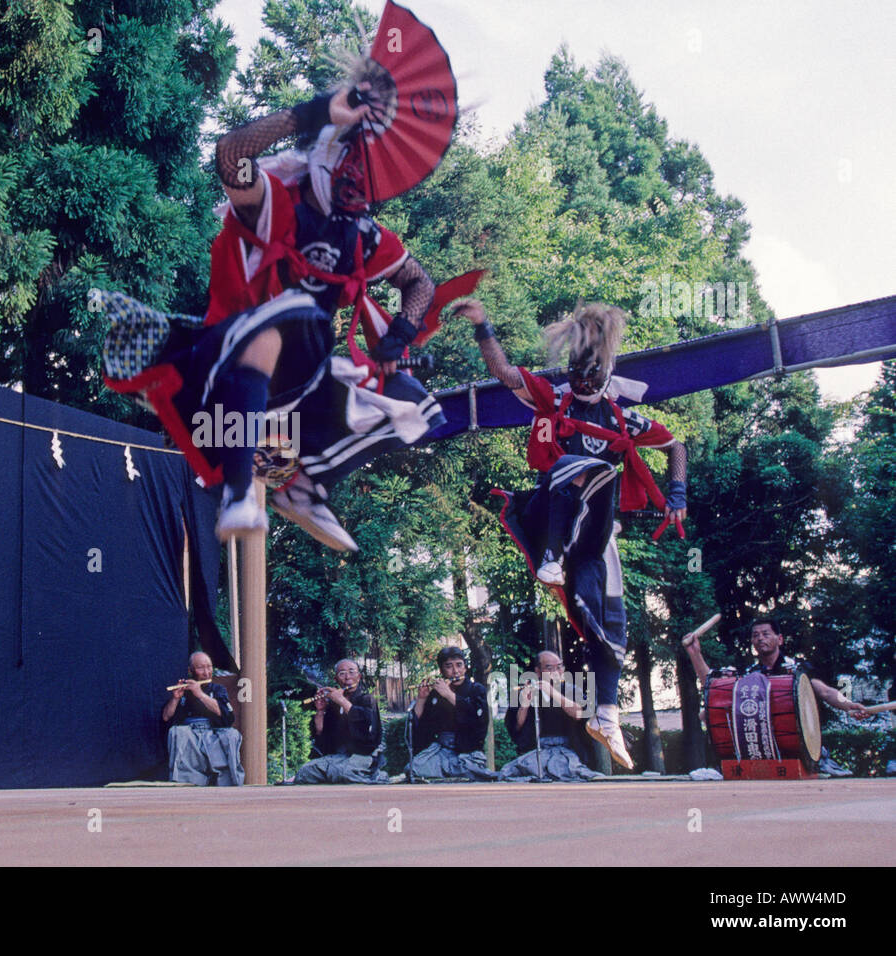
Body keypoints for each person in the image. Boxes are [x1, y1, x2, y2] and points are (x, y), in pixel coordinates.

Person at [102, 70, 453, 551]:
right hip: (223, 366)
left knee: (412, 401)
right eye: (353, 170)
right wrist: (316, 111)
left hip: (295, 388)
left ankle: (307, 484)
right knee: (296, 315)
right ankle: (238, 492)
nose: (358, 190)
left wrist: (402, 332)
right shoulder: (272, 201)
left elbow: (418, 281)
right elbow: (230, 156)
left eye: (366, 183)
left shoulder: (363, 236)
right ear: (328, 154)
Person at [458, 298, 688, 771]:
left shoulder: (626, 420)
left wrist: (678, 495)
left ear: (606, 378)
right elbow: (504, 372)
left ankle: (606, 713)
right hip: (552, 513)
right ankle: (550, 556)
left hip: (594, 531)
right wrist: (483, 325)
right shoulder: (553, 399)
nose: (582, 386)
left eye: (591, 380)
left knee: (608, 623)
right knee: (571, 466)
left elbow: (675, 444)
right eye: (577, 378)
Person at [681, 616, 869, 716]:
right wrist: (695, 653)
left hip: (797, 741)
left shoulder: (796, 669)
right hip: (760, 741)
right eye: (756, 635)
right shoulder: (749, 674)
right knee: (707, 714)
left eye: (765, 634)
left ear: (779, 639)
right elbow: (713, 685)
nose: (760, 638)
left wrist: (849, 705)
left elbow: (825, 692)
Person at [499, 651, 604, 781]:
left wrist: (553, 693)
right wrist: (525, 704)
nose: (556, 671)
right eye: (549, 667)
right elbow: (517, 725)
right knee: (509, 772)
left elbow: (579, 714)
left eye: (559, 666)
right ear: (538, 671)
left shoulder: (571, 689)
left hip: (567, 749)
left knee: (565, 770)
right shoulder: (530, 689)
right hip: (537, 749)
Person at [407, 647, 497, 781]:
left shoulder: (477, 690)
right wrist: (422, 699)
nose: (455, 671)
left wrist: (449, 695)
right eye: (449, 666)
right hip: (441, 752)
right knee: (413, 768)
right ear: (442, 671)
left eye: (459, 665)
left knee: (468, 768)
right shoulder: (436, 694)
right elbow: (423, 726)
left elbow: (478, 720)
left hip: (468, 752)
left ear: (465, 668)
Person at [294, 659, 390, 784]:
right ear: (336, 679)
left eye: (351, 672)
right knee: (305, 772)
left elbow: (366, 729)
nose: (347, 677)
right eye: (342, 673)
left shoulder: (367, 699)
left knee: (343, 772)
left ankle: (377, 776)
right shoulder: (334, 705)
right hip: (339, 757)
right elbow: (322, 734)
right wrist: (321, 710)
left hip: (362, 756)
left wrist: (341, 700)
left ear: (359, 677)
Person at [161, 652, 244, 786]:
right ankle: (183, 783)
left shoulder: (218, 689)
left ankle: (229, 783)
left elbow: (225, 714)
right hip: (191, 735)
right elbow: (166, 717)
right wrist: (175, 698)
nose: (206, 672)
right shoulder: (184, 690)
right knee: (177, 732)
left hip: (213, 733)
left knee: (232, 734)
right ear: (190, 670)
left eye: (209, 667)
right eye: (201, 668)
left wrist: (200, 694)